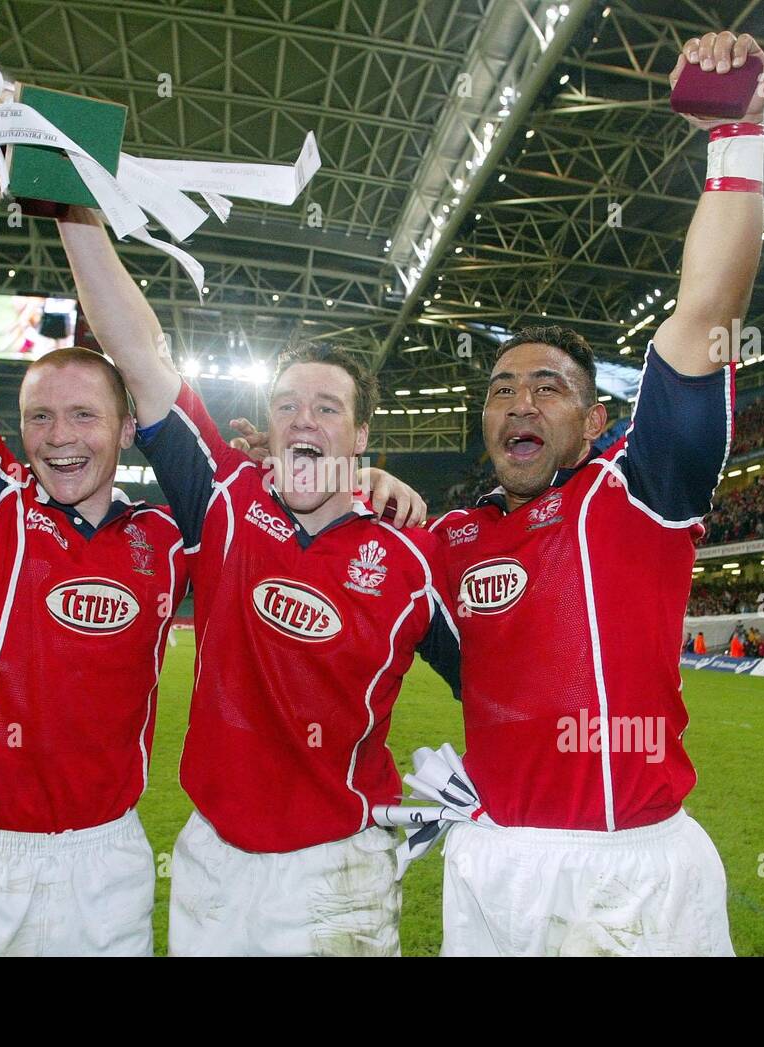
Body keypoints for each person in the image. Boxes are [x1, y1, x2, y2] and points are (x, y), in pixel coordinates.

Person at [427, 29, 764, 956]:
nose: (518, 400)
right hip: (493, 861)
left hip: (635, 870)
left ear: (593, 422)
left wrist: (736, 134)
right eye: (500, 388)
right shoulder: (449, 540)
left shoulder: (640, 493)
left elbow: (705, 315)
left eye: (548, 386)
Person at [55, 205, 460, 956]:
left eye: (327, 408)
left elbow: (497, 681)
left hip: (340, 871)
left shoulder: (410, 558)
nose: (304, 419)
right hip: (214, 864)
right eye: (287, 405)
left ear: (361, 435)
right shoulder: (225, 498)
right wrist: (72, 207)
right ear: (269, 425)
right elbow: (139, 352)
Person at [0, 154, 190, 955]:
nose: (60, 437)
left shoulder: (167, 538)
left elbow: (155, 365)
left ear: (128, 430)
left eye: (84, 415)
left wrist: (359, 477)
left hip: (103, 863)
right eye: (40, 417)